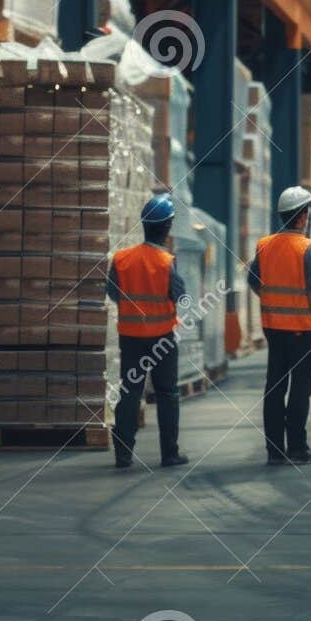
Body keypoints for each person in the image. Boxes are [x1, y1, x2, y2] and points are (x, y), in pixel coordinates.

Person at [106, 194, 188, 469]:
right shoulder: (167, 262)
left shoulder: (121, 259)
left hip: (130, 337)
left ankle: (123, 455)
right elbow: (178, 294)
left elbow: (113, 292)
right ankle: (169, 453)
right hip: (162, 338)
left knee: (130, 392)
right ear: (166, 227)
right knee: (167, 394)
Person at [249, 186, 311, 466]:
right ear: (304, 215)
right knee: (299, 389)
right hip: (303, 328)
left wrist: (272, 301)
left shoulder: (264, 245)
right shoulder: (305, 247)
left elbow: (253, 281)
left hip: (273, 326)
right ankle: (296, 447)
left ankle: (274, 450)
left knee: (275, 387)